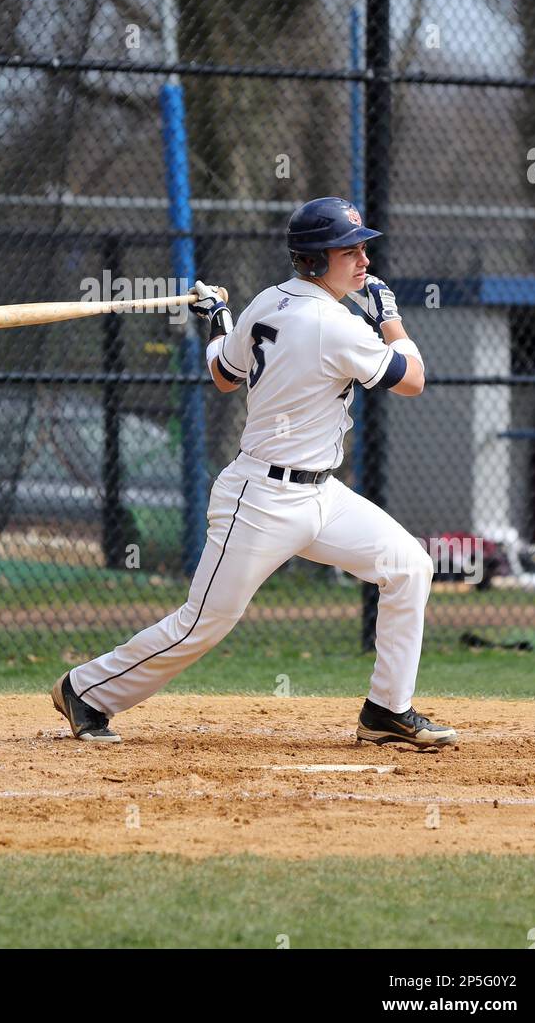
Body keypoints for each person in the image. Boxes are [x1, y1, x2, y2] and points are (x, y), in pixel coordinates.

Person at [52, 196, 458, 748]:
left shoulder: (269, 301)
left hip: (322, 495)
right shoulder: (331, 324)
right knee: (204, 622)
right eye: (350, 250)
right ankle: (87, 690)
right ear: (316, 258)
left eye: (363, 248)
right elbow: (413, 378)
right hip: (263, 498)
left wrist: (220, 320)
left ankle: (387, 709)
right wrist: (390, 318)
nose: (364, 261)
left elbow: (223, 371)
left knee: (409, 565)